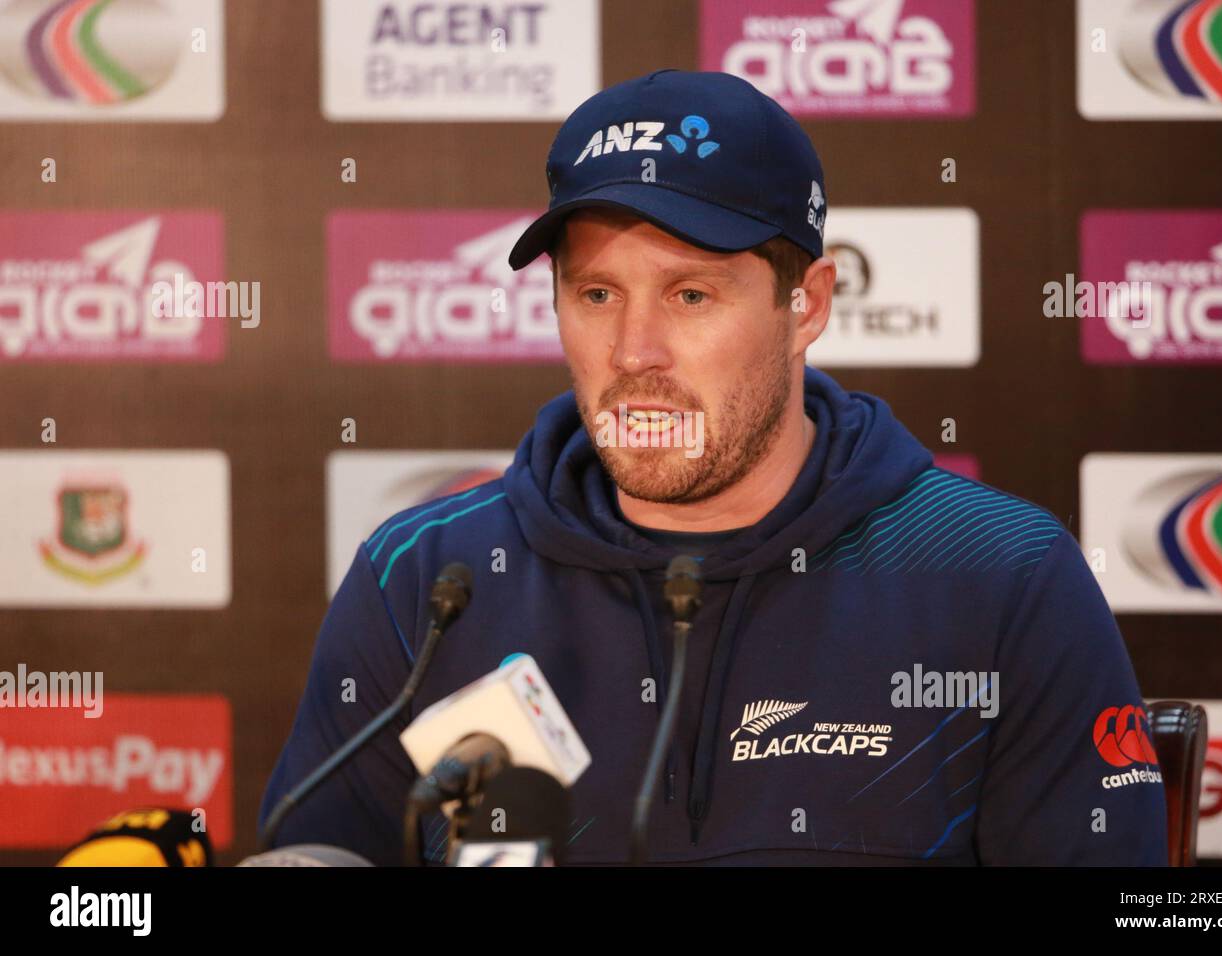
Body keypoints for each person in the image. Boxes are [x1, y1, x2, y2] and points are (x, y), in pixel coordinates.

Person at [260, 69, 1167, 866]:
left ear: (805, 304)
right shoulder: (422, 580)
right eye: (597, 295)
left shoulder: (998, 576)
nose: (634, 351)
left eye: (691, 295)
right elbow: (320, 851)